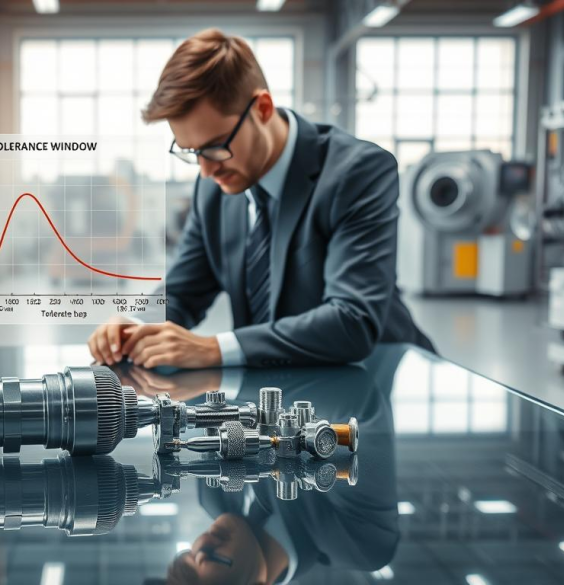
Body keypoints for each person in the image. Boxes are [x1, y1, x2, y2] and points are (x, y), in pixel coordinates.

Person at [88, 28, 433, 369]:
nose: (206, 170)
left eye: (216, 147)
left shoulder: (357, 172)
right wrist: (135, 325)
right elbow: (183, 291)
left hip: (372, 378)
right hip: (282, 393)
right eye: (192, 151)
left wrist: (213, 349)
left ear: (263, 108)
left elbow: (351, 321)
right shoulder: (213, 189)